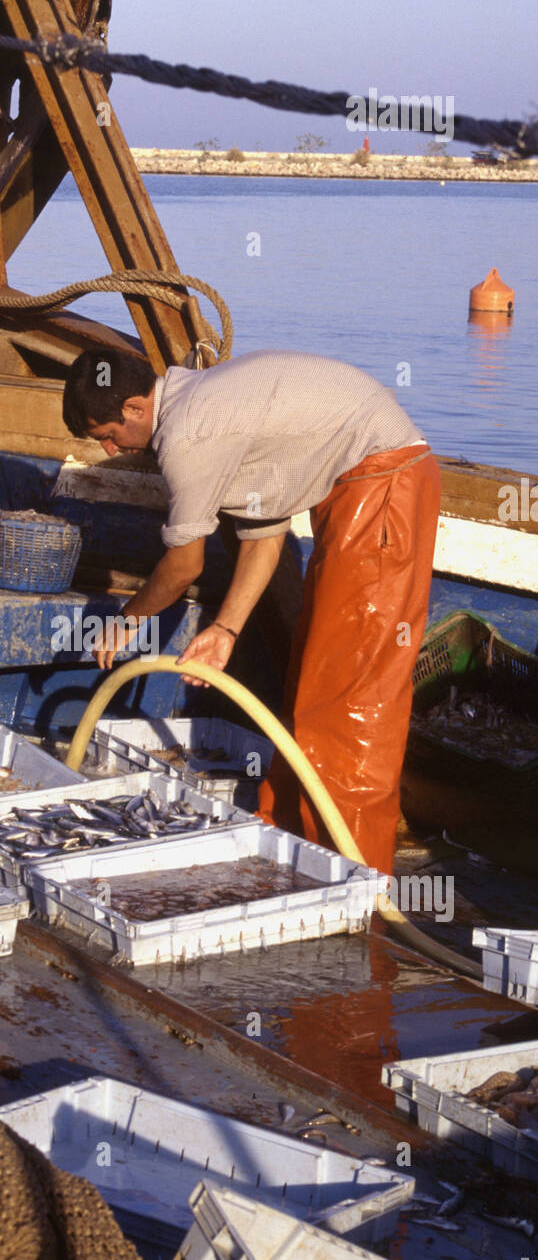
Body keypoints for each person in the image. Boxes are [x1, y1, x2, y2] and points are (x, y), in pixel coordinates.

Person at [61, 347, 441, 874]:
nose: (107, 450)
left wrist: (127, 621)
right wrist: (225, 628)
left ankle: (357, 875)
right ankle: (293, 843)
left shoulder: (187, 434)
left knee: (354, 699)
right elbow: (265, 532)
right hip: (359, 486)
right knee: (314, 684)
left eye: (107, 434)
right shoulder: (196, 402)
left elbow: (183, 566)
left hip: (383, 487)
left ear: (133, 407)